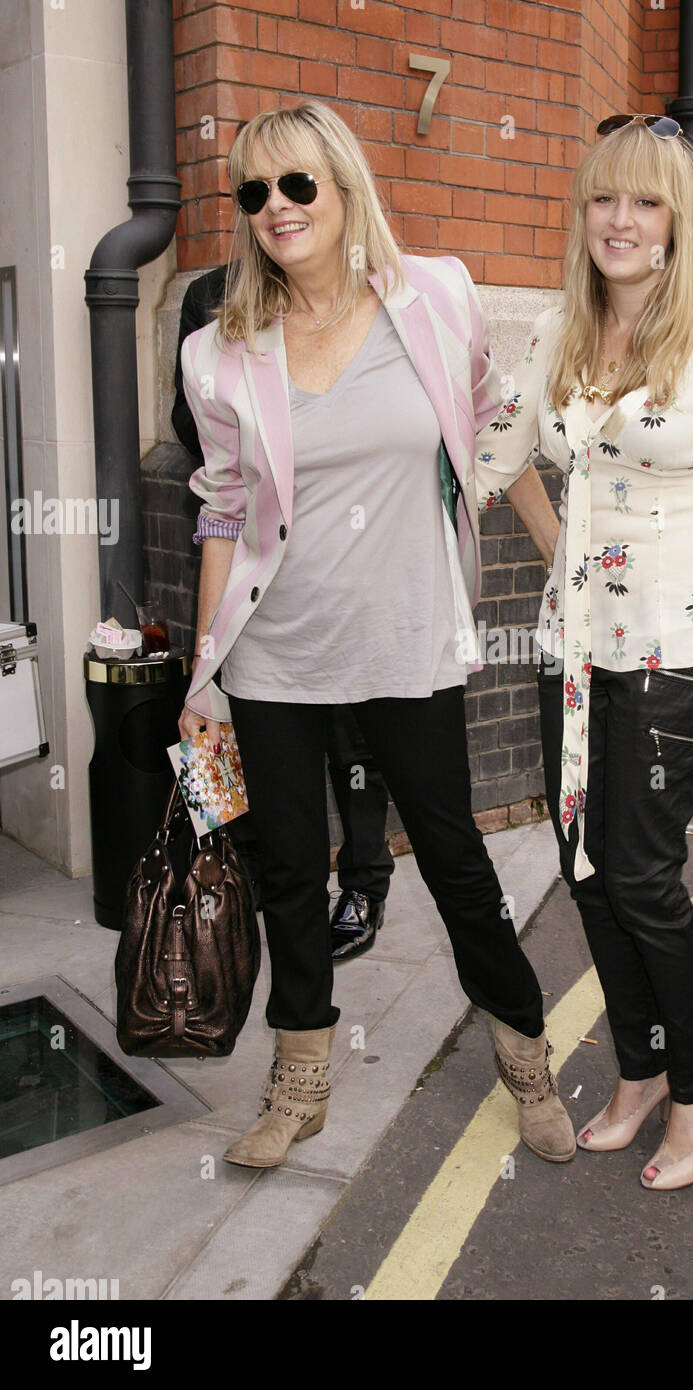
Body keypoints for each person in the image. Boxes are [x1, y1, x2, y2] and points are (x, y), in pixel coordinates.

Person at [177, 99, 574, 1168]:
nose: (275, 208)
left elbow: (504, 434)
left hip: (406, 637)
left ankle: (526, 1056)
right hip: (275, 651)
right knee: (292, 872)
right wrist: (203, 673)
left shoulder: (436, 299)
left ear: (346, 188)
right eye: (253, 192)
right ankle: (298, 1081)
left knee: (453, 860)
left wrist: (564, 562)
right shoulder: (218, 352)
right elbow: (220, 507)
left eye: (297, 184)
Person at [474, 114, 693, 1191]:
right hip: (571, 649)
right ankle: (642, 1066)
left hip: (678, 652)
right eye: (605, 197)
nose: (621, 220)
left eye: (646, 201)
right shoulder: (558, 327)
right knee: (589, 873)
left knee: (646, 879)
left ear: (677, 220)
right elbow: (496, 457)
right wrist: (561, 540)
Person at [172, 264, 392, 962]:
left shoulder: (351, 281)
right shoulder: (208, 291)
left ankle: (363, 883)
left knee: (354, 741)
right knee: (218, 726)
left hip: (346, 562)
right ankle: (245, 878)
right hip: (237, 542)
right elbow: (189, 419)